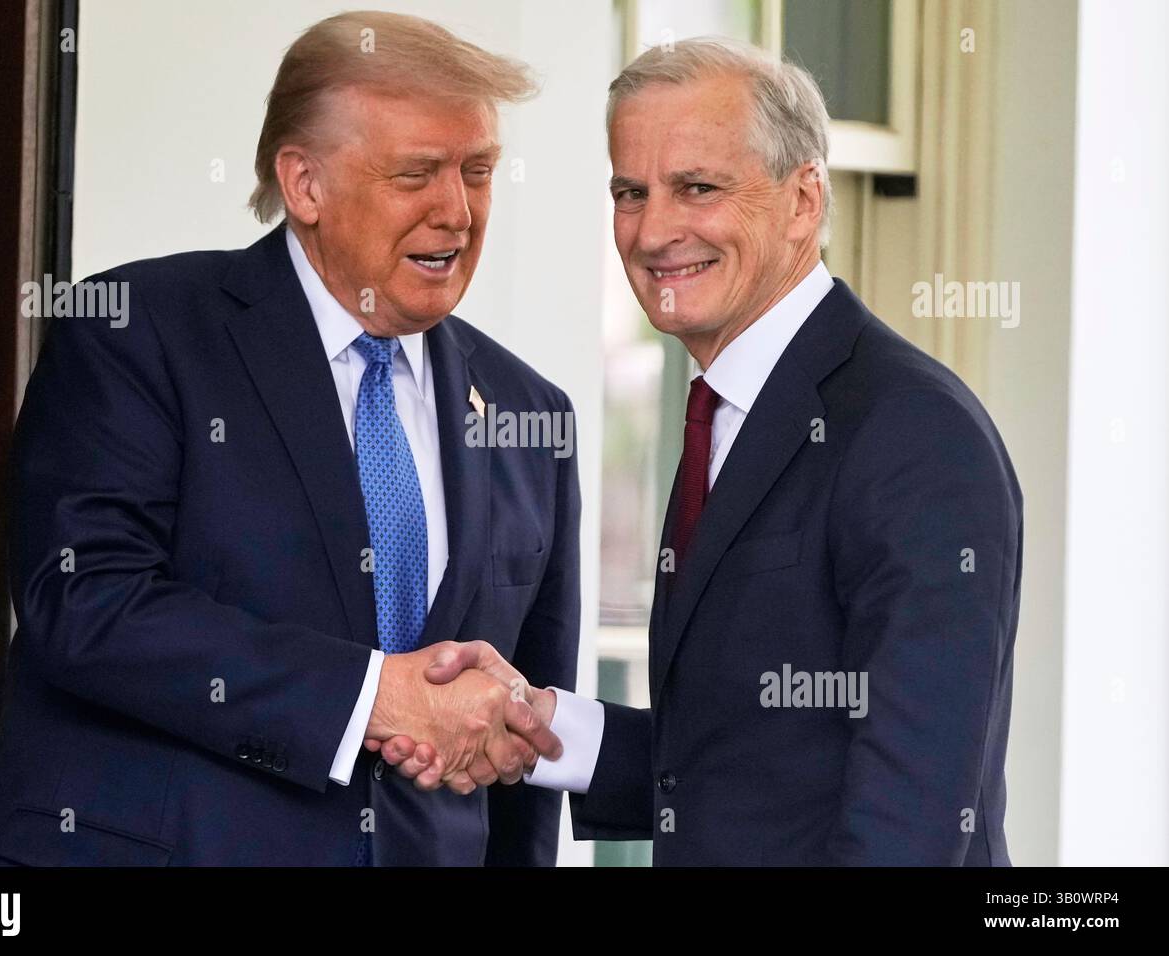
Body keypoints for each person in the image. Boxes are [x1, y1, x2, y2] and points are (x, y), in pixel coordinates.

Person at [0, 11, 577, 867]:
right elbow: (86, 601)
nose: (458, 211)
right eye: (417, 173)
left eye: (479, 171)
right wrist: (372, 698)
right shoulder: (139, 331)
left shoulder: (531, 415)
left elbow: (525, 744)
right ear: (305, 184)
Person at [383, 37, 1022, 866]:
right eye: (630, 192)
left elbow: (914, 815)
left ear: (802, 201)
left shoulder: (916, 435)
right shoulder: (723, 413)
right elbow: (749, 756)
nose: (653, 231)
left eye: (698, 188)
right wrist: (542, 720)